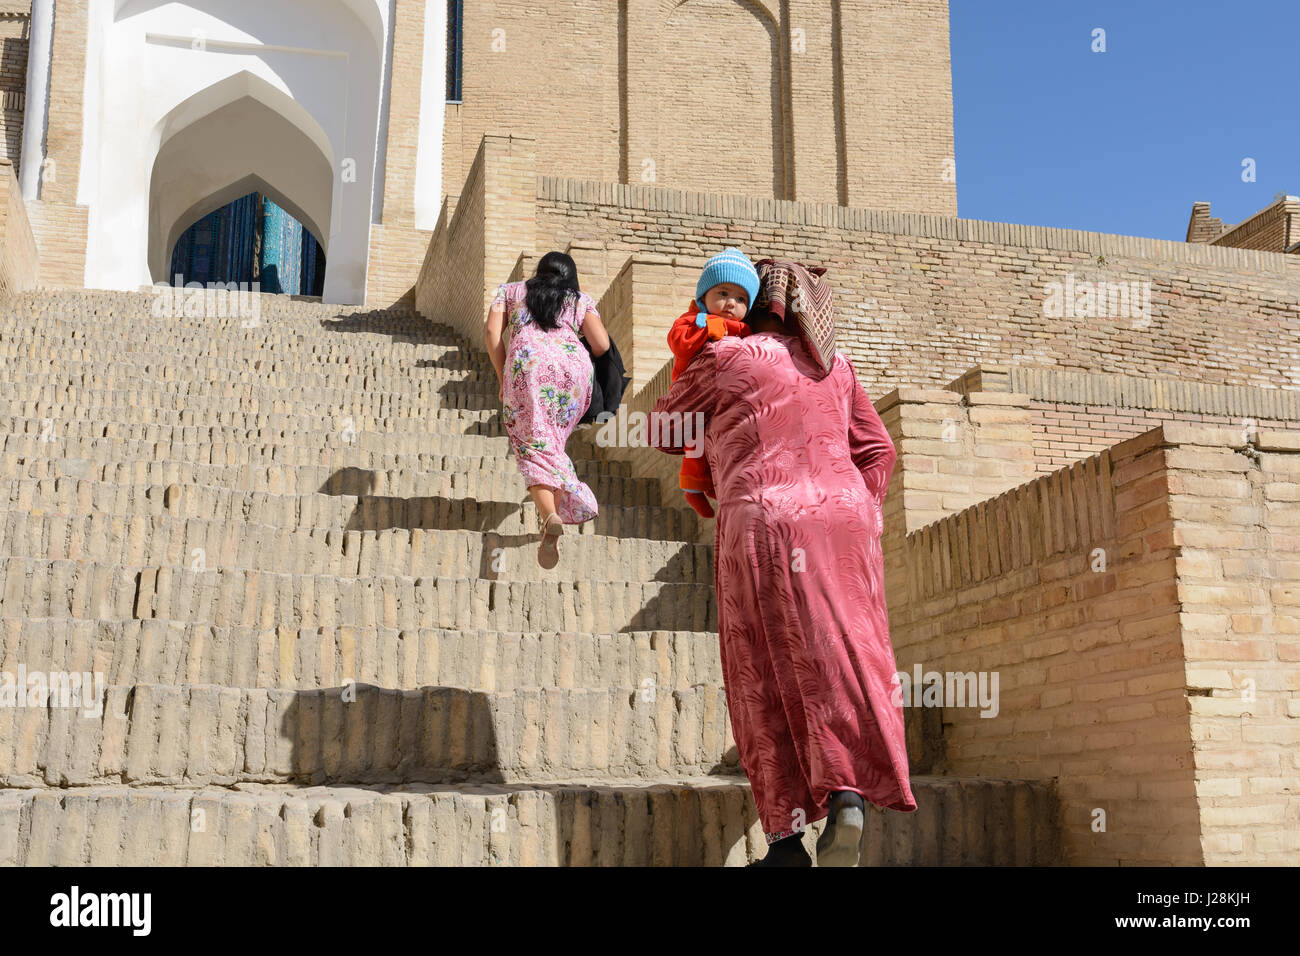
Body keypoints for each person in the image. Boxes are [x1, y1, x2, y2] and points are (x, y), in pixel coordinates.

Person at [648, 266, 916, 867]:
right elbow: (880, 448)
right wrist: (863, 510)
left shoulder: (731, 357)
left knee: (761, 668)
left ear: (756, 307)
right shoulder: (836, 365)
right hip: (844, 521)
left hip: (764, 520)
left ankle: (785, 839)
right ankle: (849, 792)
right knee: (844, 656)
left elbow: (662, 428)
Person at [484, 251, 611, 569]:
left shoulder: (510, 291)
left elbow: (491, 333)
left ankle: (550, 515)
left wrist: (504, 377)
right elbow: (602, 345)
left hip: (529, 366)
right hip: (572, 370)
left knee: (533, 447)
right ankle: (547, 530)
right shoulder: (579, 299)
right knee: (550, 445)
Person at [666, 248, 756, 519]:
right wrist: (707, 330)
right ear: (703, 296)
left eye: (741, 298)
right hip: (693, 395)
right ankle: (691, 487)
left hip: (724, 398)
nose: (731, 303)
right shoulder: (693, 320)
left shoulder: (745, 330)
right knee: (696, 444)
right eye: (723, 294)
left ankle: (713, 486)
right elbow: (678, 343)